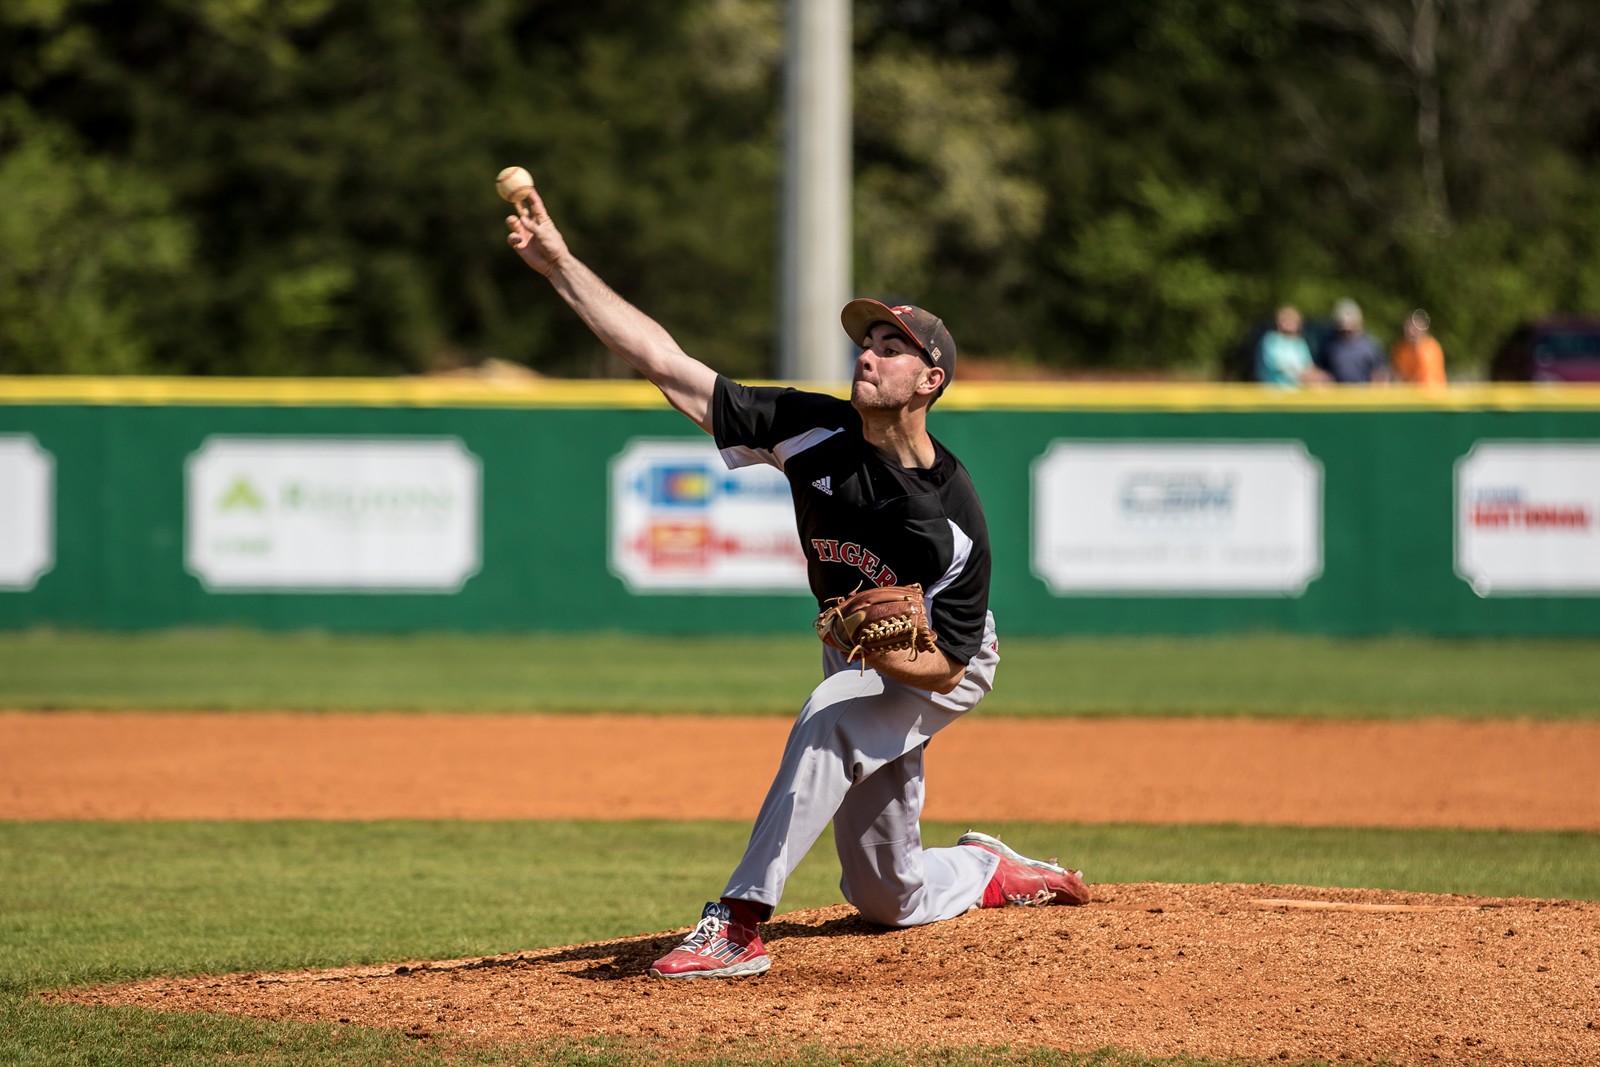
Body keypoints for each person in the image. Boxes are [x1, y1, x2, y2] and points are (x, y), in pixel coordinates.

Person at [504, 178, 1089, 980]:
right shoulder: (811, 427)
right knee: (887, 894)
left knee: (829, 715)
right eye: (867, 340)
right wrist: (561, 265)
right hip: (863, 649)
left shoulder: (947, 518)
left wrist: (883, 655)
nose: (869, 353)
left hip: (943, 659)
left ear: (930, 381)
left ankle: (738, 922)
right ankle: (986, 867)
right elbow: (663, 363)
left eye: (892, 346)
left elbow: (950, 663)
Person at [1316, 298, 1390, 384]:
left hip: (1364, 394)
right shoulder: (1330, 345)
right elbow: (1321, 370)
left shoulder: (1371, 345)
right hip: (1337, 394)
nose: (1346, 332)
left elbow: (1380, 372)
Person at [1255, 305, 1331, 388]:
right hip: (1276, 392)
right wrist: (1306, 376)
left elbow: (1309, 366)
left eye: (1293, 319)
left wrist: (1321, 376)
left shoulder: (1299, 343)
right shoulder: (1271, 340)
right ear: (1278, 322)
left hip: (1298, 392)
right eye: (1286, 319)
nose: (1289, 322)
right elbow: (1283, 368)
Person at [1389, 308, 1447, 387]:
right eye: (1408, 329)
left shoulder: (1431, 348)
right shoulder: (1402, 349)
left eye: (1415, 329)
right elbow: (1398, 373)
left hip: (1430, 392)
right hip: (1409, 393)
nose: (1411, 332)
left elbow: (1424, 376)